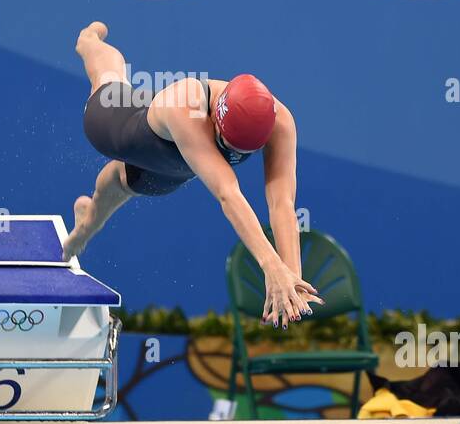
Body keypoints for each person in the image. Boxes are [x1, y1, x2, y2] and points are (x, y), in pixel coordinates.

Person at [64, 21, 319, 329]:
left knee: (122, 182)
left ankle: (85, 225)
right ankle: (89, 41)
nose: (232, 154)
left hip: (170, 170)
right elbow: (228, 193)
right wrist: (270, 265)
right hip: (125, 126)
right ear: (217, 116)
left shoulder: (281, 122)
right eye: (226, 143)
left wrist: (291, 278)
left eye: (244, 151)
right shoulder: (187, 106)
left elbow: (281, 203)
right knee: (110, 82)